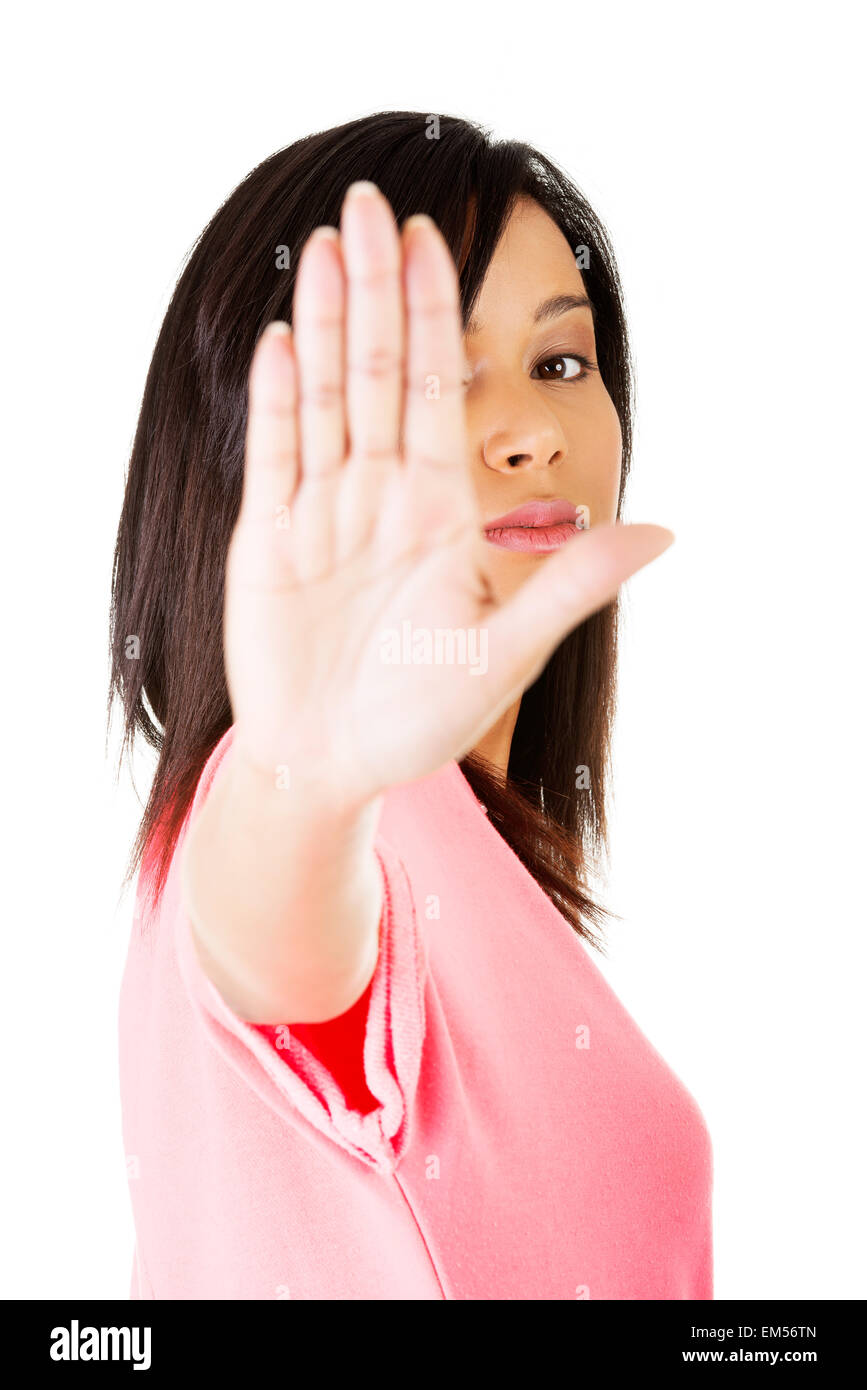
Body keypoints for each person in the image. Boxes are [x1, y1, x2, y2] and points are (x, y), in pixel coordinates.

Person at [110, 111, 713, 1299]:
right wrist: (308, 786)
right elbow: (277, 939)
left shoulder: (463, 847)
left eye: (561, 363)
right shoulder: (317, 813)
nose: (532, 432)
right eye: (437, 381)